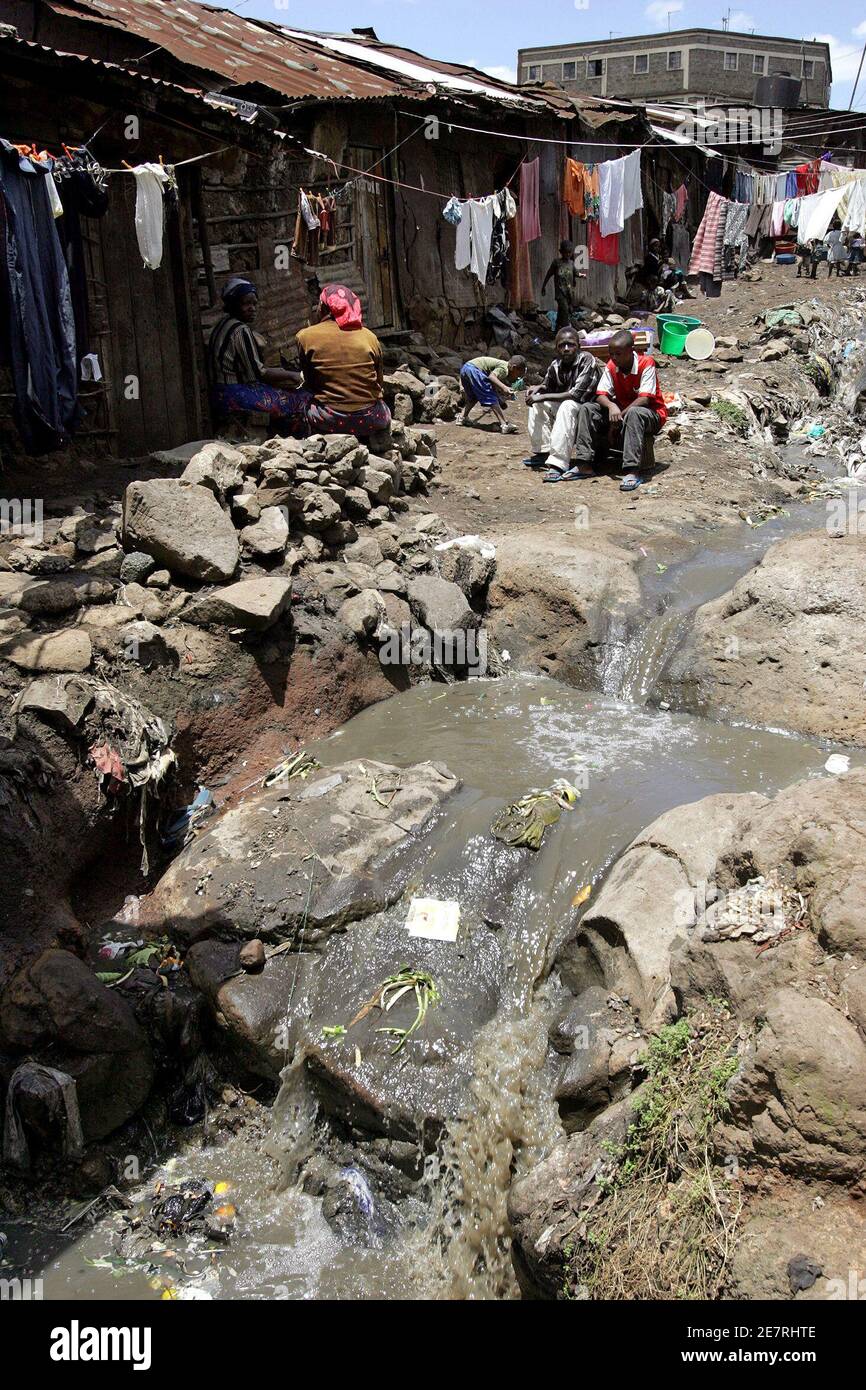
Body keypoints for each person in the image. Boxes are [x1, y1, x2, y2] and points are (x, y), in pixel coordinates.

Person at [295, 283, 391, 438]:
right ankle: (376, 438)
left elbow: (310, 383)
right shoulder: (369, 336)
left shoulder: (305, 336)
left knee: (299, 398)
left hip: (328, 419)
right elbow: (379, 383)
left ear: (323, 307)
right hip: (372, 419)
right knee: (382, 406)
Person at [208, 277, 307, 425]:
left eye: (254, 303)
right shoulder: (240, 330)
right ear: (233, 304)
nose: (252, 308)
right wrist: (294, 376)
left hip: (220, 391)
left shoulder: (223, 324)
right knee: (301, 398)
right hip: (233, 393)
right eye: (246, 303)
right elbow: (259, 373)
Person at [523, 327, 603, 482]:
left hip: (589, 411)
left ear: (578, 346)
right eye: (562, 345)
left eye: (570, 344)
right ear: (556, 348)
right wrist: (539, 388)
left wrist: (543, 395)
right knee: (538, 402)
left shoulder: (587, 360)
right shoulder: (556, 364)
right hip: (571, 408)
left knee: (568, 405)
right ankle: (543, 452)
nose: (566, 349)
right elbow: (548, 385)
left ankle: (558, 463)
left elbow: (576, 394)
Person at [596, 329, 667, 493]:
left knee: (635, 412)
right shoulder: (612, 365)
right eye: (611, 353)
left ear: (631, 351)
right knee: (589, 409)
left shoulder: (646, 363)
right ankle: (585, 462)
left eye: (618, 354)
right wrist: (612, 407)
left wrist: (618, 416)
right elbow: (600, 394)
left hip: (652, 414)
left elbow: (644, 399)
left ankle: (632, 470)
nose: (614, 358)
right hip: (623, 412)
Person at [458, 355, 524, 434]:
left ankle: (462, 417)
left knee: (473, 397)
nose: (517, 377)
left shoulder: (502, 366)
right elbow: (492, 377)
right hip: (474, 370)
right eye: (518, 374)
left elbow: (492, 385)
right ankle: (504, 425)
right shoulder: (504, 369)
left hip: (466, 368)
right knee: (491, 398)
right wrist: (504, 387)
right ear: (513, 367)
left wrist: (500, 398)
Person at [541, 240, 578, 332]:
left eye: (570, 252)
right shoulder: (556, 262)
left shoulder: (571, 263)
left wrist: (581, 276)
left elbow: (575, 273)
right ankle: (567, 331)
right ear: (561, 252)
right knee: (565, 310)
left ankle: (557, 328)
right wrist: (544, 286)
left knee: (562, 310)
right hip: (559, 292)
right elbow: (549, 274)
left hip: (568, 292)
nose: (568, 255)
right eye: (566, 252)